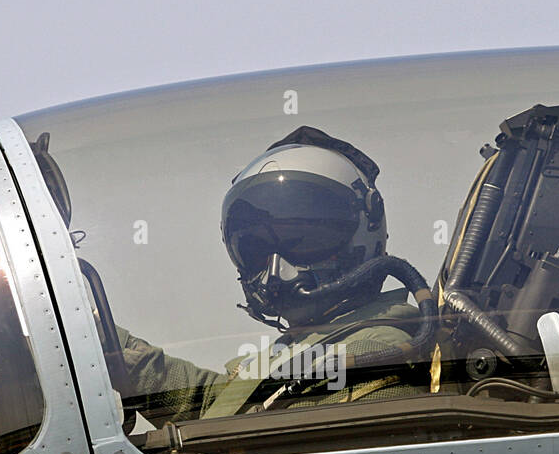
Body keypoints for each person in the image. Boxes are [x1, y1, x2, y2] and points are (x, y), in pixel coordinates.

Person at [116, 127, 438, 428]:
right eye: (256, 248)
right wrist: (113, 348)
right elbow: (221, 404)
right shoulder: (309, 347)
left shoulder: (372, 356)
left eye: (302, 240)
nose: (276, 269)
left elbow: (256, 442)